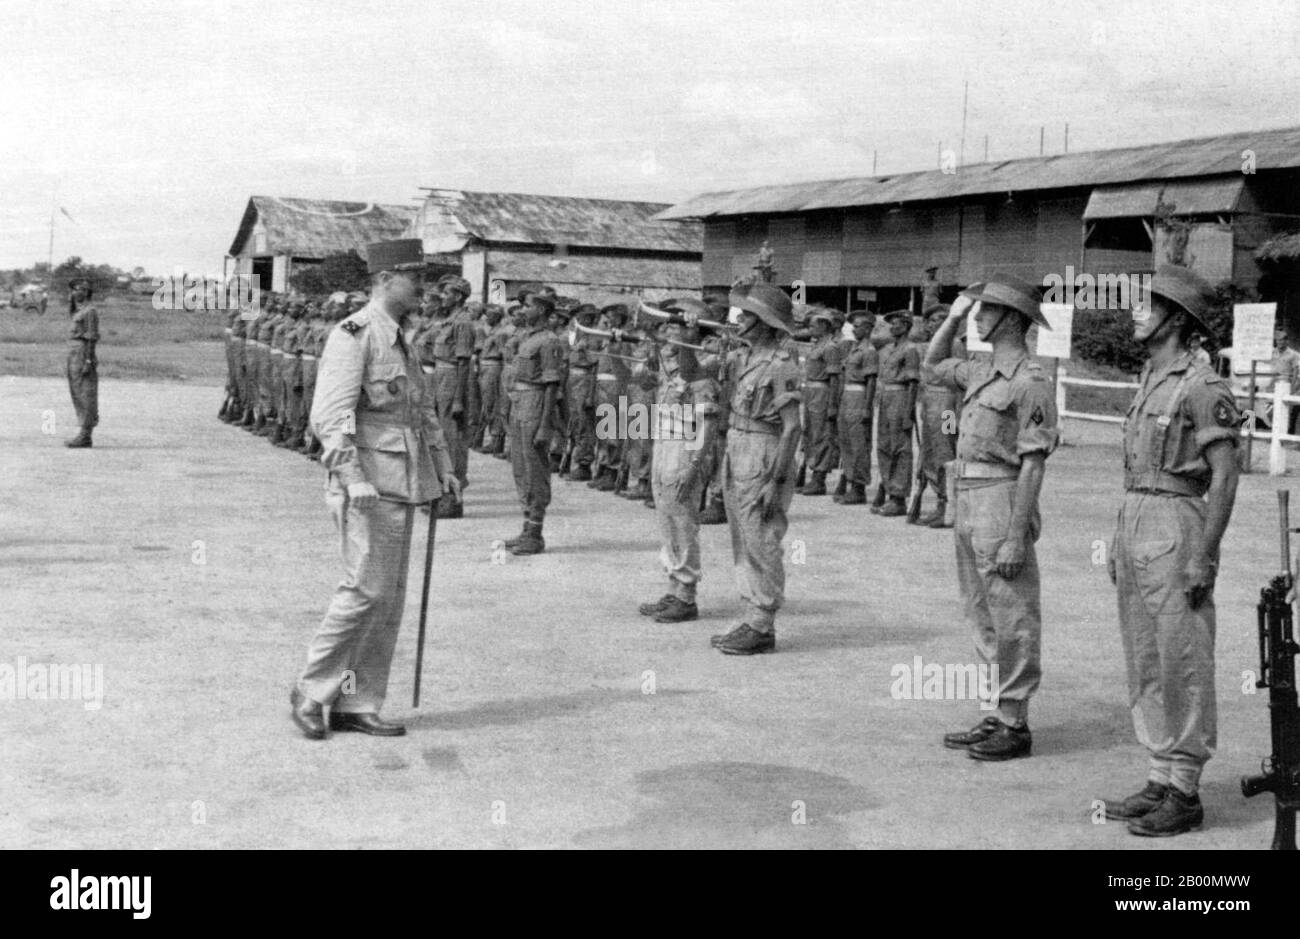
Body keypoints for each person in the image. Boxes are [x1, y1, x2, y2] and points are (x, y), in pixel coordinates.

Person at [290, 239, 457, 740]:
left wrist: (444, 467)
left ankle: (355, 700)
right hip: (366, 483)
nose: (422, 287)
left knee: (388, 598)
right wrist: (352, 476)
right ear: (385, 280)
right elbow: (331, 415)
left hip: (403, 479)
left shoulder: (402, 336)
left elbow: (420, 410)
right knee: (364, 590)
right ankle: (310, 690)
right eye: (414, 277)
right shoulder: (354, 335)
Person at [1101, 265, 1240, 837]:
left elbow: (1226, 476)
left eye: (1148, 304)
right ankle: (1160, 773)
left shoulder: (1202, 385)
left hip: (1178, 520)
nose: (1137, 311)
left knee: (1183, 656)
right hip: (1138, 516)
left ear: (1177, 319)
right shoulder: (1151, 378)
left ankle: (1185, 790)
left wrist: (1204, 555)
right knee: (1146, 653)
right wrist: (1118, 535)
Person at [923, 275, 1058, 761]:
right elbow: (932, 364)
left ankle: (1016, 722)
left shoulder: (1031, 382)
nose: (977, 316)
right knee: (980, 609)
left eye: (985, 310)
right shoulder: (981, 370)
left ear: (1011, 319)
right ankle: (998, 709)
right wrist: (953, 316)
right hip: (968, 494)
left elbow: (1034, 462)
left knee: (1012, 612)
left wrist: (1016, 536)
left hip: (1002, 497)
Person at [710, 281, 802, 655]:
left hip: (764, 451)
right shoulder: (742, 358)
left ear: (765, 322)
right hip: (738, 446)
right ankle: (750, 615)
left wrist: (775, 481)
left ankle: (763, 622)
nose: (739, 321)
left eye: (747, 316)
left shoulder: (783, 365)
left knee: (762, 538)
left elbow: (793, 426)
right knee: (742, 538)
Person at [638, 300, 720, 623]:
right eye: (668, 326)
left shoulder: (701, 371)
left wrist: (694, 466)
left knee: (683, 521)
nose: (668, 332)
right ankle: (674, 587)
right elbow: (642, 379)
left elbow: (708, 424)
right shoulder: (670, 368)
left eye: (677, 327)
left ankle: (687, 595)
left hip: (685, 448)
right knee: (667, 519)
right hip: (665, 443)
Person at [502, 291, 565, 555]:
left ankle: (536, 532)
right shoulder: (527, 337)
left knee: (535, 469)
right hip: (520, 402)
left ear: (540, 309)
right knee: (521, 468)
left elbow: (552, 385)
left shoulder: (549, 341)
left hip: (536, 403)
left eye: (526, 306)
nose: (522, 310)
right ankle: (526, 526)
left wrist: (545, 425)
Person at [916, 303, 964, 527]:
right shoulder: (929, 347)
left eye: (941, 319)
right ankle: (939, 500)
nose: (935, 323)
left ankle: (948, 505)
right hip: (929, 402)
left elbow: (960, 382)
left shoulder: (954, 344)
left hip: (947, 404)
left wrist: (956, 415)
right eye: (933, 320)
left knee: (945, 451)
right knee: (929, 452)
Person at [872, 310, 920, 516]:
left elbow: (912, 383)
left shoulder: (910, 350)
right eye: (891, 324)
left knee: (900, 447)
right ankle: (887, 487)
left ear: (907, 326)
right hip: (886, 399)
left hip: (901, 398)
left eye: (897, 324)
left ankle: (898, 497)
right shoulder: (889, 349)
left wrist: (908, 413)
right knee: (884, 445)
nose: (892, 327)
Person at [834, 309, 878, 505]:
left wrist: (867, 407)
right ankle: (850, 480)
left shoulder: (869, 351)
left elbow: (871, 381)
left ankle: (858, 487)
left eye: (858, 326)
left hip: (859, 396)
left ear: (868, 329)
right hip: (847, 396)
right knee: (846, 440)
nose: (854, 329)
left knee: (859, 443)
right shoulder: (854, 349)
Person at [798, 310, 843, 496]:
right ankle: (810, 471)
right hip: (811, 391)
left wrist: (833, 404)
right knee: (809, 433)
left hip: (822, 392)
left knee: (822, 434)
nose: (810, 329)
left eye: (813, 325)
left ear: (824, 326)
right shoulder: (817, 346)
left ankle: (819, 477)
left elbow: (834, 378)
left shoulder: (830, 347)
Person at [64, 279, 100, 448]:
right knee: (76, 391)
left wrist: (88, 360)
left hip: (82, 353)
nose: (73, 292)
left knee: (86, 392)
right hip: (73, 353)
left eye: (77, 289)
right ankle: (83, 433)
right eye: (72, 290)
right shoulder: (78, 310)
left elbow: (92, 337)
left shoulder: (90, 311)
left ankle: (86, 434)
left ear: (86, 292)